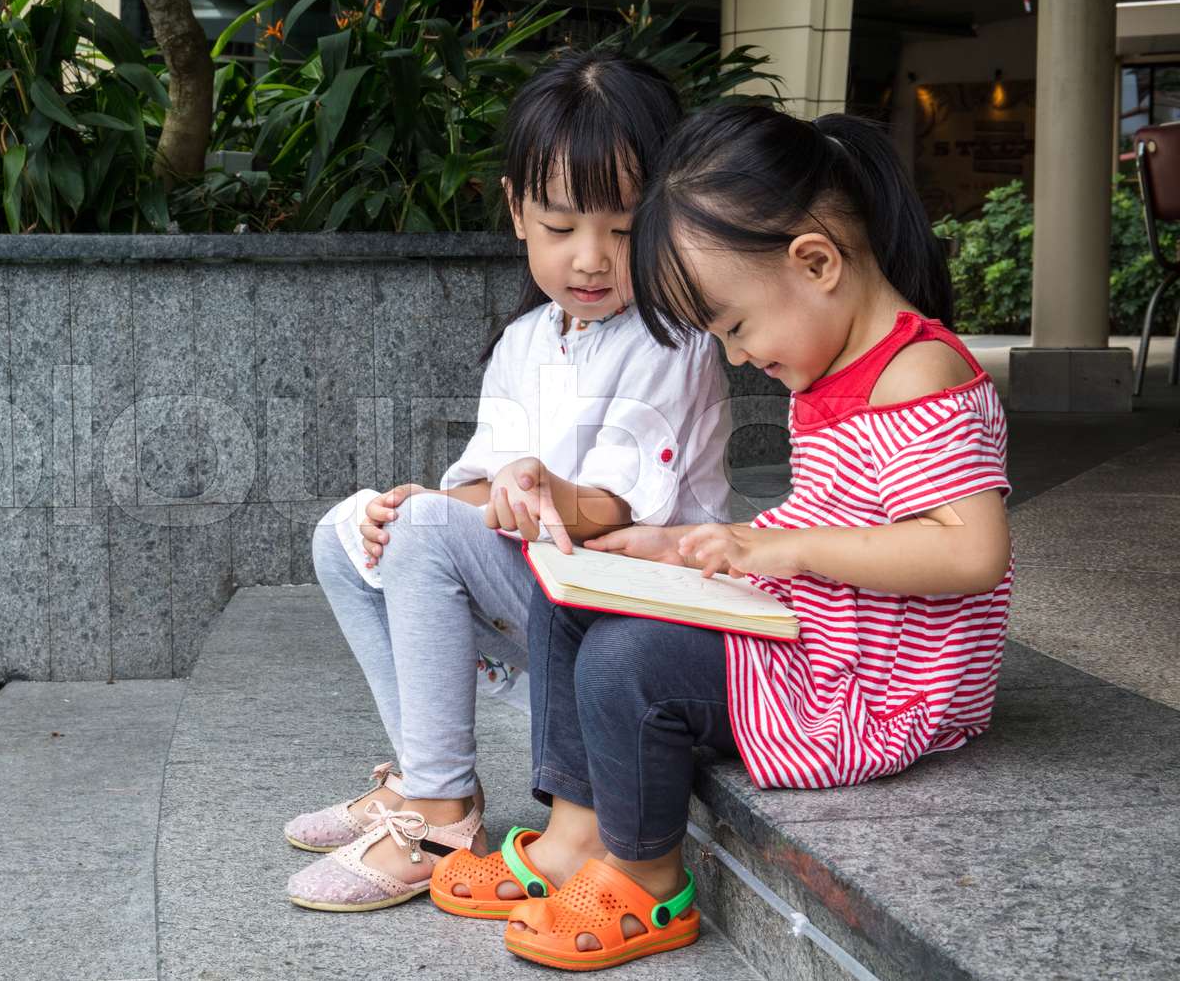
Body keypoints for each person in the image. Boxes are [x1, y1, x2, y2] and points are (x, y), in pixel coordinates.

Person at [431, 103, 1013, 971]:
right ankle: (572, 836)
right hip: (822, 638)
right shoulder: (839, 361)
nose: (737, 358)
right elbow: (840, 513)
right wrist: (680, 547)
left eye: (735, 327)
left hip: (873, 687)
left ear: (814, 262)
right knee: (570, 592)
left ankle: (645, 877)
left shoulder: (918, 372)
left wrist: (778, 552)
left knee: (631, 668)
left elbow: (970, 552)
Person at [282, 50, 733, 913]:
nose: (591, 258)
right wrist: (403, 508)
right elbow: (479, 487)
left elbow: (608, 508)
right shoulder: (529, 339)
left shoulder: (676, 341)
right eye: (562, 228)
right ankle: (419, 773)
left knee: (415, 529)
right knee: (346, 534)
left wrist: (523, 494)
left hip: (629, 610)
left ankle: (441, 811)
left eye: (624, 227)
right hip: (545, 587)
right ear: (517, 211)